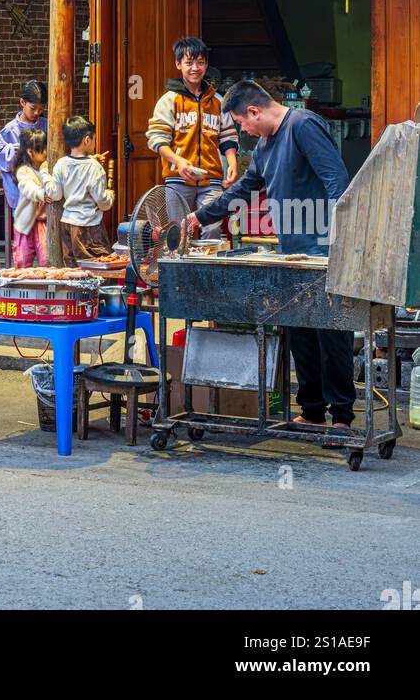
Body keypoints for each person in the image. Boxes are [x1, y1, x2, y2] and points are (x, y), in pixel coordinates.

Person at [188, 80, 353, 429]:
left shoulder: (303, 126)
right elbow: (243, 191)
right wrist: (200, 217)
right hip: (292, 253)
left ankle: (342, 417)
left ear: (253, 111)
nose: (244, 131)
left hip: (324, 249)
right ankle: (312, 411)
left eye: (242, 123)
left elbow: (336, 178)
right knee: (300, 331)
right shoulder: (264, 148)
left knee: (331, 333)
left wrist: (341, 237)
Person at [146, 36, 238, 222]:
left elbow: (228, 137)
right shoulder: (169, 100)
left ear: (206, 65)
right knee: (178, 229)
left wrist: (233, 163)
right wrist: (178, 161)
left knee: (212, 227)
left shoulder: (218, 102)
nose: (195, 68)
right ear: (178, 64)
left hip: (211, 178)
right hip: (178, 178)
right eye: (189, 63)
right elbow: (157, 140)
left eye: (200, 63)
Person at [44, 116, 114, 265]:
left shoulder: (61, 164)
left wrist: (44, 175)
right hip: (89, 226)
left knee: (72, 268)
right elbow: (103, 202)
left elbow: (55, 194)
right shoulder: (94, 168)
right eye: (94, 140)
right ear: (87, 140)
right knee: (98, 267)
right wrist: (110, 195)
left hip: (68, 224)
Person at [0, 80, 48, 216]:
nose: (37, 113)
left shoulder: (48, 125)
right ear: (22, 102)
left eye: (41, 109)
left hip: (46, 194)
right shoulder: (9, 131)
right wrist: (14, 152)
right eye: (33, 108)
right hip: (21, 196)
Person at [11, 129, 51, 268]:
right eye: (42, 148)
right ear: (30, 151)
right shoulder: (24, 170)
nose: (46, 152)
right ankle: (21, 287)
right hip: (25, 223)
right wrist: (42, 194)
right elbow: (28, 188)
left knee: (46, 260)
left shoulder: (48, 168)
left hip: (43, 222)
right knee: (22, 261)